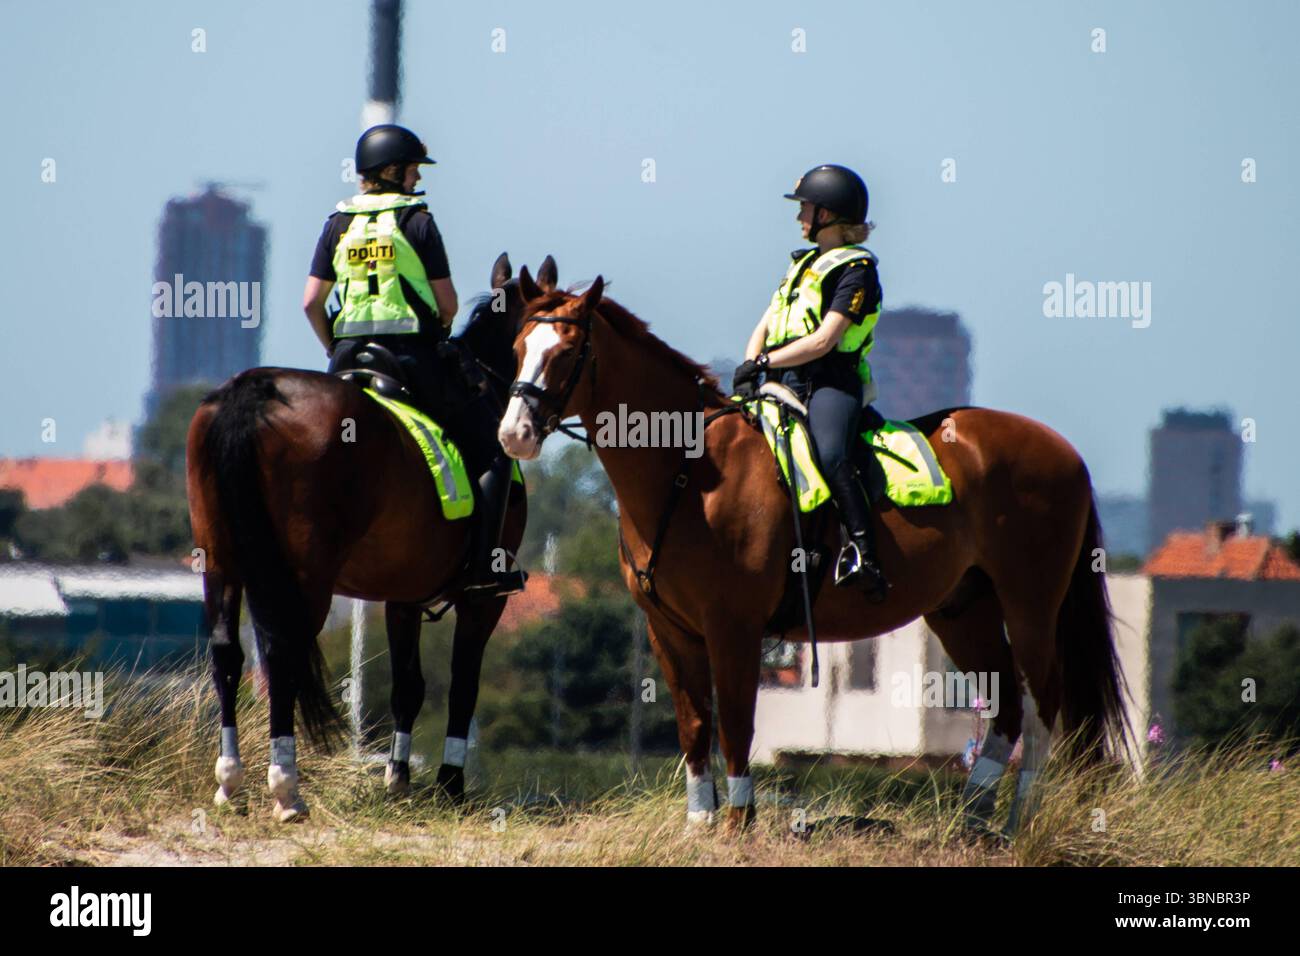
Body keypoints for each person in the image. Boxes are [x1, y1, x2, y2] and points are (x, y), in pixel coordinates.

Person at [302, 124, 519, 601]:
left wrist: (332, 348)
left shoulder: (336, 224)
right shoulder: (417, 221)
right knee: (493, 449)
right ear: (393, 170)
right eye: (414, 168)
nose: (418, 177)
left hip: (347, 359)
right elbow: (448, 305)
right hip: (411, 360)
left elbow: (311, 303)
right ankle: (486, 565)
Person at [733, 164, 889, 601]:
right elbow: (764, 324)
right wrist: (751, 365)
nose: (799, 215)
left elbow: (824, 340)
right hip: (781, 378)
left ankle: (865, 553)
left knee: (832, 453)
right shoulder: (802, 265)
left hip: (830, 384)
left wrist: (764, 361)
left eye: (806, 207)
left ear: (829, 215)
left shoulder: (856, 271)